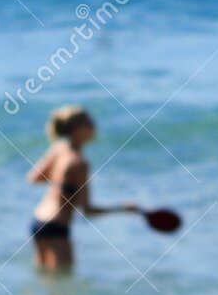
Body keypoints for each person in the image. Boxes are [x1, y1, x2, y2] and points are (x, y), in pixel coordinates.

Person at [26, 105, 138, 271]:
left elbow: (34, 178)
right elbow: (88, 210)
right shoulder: (79, 163)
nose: (94, 126)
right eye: (89, 123)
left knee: (44, 277)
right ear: (77, 129)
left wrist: (62, 184)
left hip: (38, 221)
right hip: (57, 226)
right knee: (61, 282)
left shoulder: (58, 149)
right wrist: (123, 208)